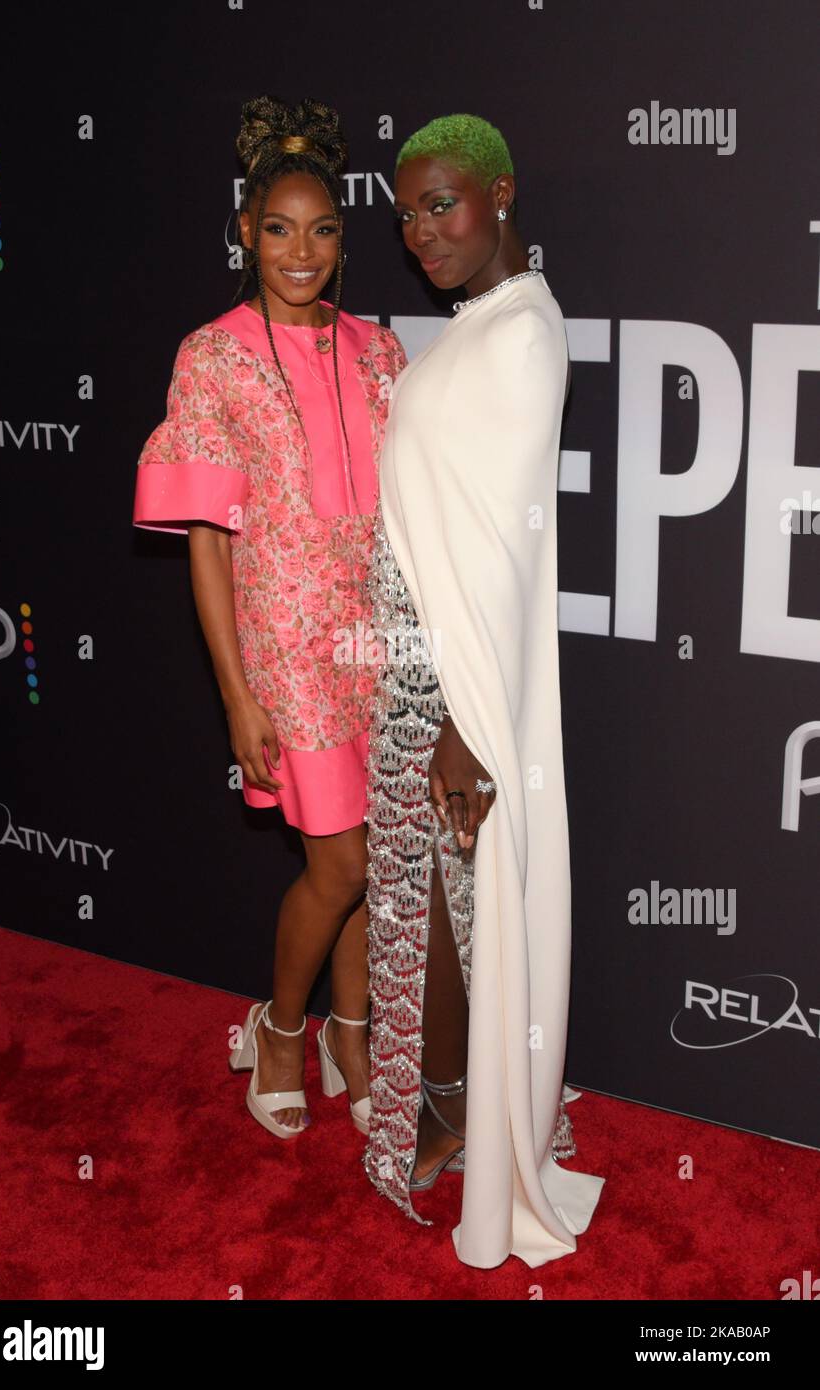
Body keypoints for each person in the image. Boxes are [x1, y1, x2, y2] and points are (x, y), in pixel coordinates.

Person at [132, 96, 406, 1141]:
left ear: (345, 238)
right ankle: (280, 1028)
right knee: (336, 861)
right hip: (285, 642)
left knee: (374, 859)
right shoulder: (214, 355)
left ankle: (352, 1030)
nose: (302, 251)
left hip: (376, 635)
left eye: (324, 229)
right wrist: (237, 692)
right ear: (247, 231)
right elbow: (206, 535)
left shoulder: (380, 352)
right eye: (279, 229)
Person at [362, 113, 606, 1270]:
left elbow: (507, 545)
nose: (421, 231)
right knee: (438, 907)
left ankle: (458, 1109)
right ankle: (455, 1103)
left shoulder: (520, 337)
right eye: (406, 212)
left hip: (450, 686)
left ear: (501, 194)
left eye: (443, 203)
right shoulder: (477, 326)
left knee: (450, 908)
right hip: (413, 667)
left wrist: (464, 722)